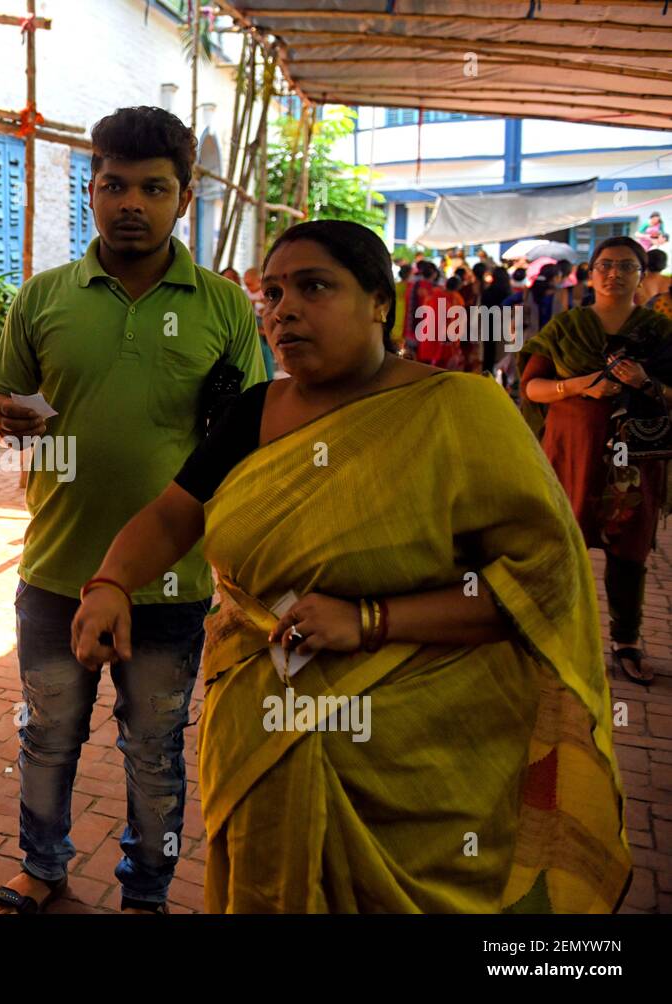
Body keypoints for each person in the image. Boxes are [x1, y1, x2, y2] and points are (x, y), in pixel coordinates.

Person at [70, 219, 630, 913]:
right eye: (273, 293)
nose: (285, 310)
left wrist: (368, 620)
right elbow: (173, 513)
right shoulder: (253, 413)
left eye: (314, 287)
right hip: (261, 716)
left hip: (417, 759)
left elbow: (541, 581)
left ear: (379, 303)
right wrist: (111, 582)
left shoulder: (460, 411)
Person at [0, 105, 266, 915]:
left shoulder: (224, 308)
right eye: (112, 184)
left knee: (155, 752)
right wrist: (3, 415)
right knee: (47, 739)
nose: (129, 202)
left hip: (171, 585)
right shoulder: (42, 299)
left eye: (152, 187)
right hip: (57, 570)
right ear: (91, 191)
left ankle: (147, 892)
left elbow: (246, 429)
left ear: (183, 196)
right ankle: (43, 866)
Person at [520, 236, 672, 686]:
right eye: (605, 265)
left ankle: (626, 640)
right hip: (572, 453)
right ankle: (555, 634)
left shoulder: (659, 333)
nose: (614, 273)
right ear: (590, 272)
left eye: (627, 266)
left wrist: (646, 382)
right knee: (564, 544)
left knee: (631, 550)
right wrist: (579, 386)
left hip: (635, 460)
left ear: (640, 276)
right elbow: (531, 389)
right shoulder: (568, 327)